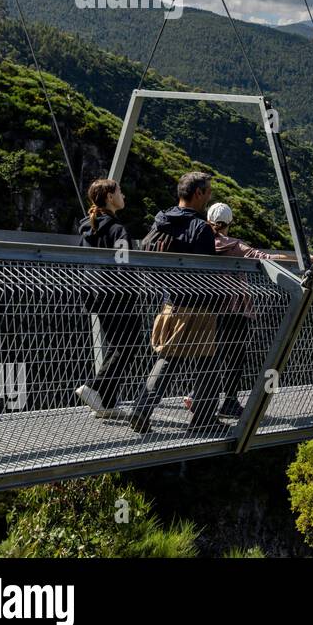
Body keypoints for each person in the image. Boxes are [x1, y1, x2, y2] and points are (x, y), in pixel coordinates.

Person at [129, 171, 222, 434]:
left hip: (170, 301)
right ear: (198, 194)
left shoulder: (161, 220)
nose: (209, 195)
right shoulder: (200, 228)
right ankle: (203, 418)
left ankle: (141, 410)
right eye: (208, 191)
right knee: (208, 362)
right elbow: (209, 270)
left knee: (168, 357)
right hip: (199, 304)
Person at [205, 202, 292, 419]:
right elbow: (264, 258)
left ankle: (200, 396)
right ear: (230, 222)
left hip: (207, 307)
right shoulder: (234, 245)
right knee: (234, 356)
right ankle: (230, 402)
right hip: (234, 308)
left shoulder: (201, 242)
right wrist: (299, 259)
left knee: (210, 353)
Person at [74, 178, 139, 420]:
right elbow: (123, 264)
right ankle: (93, 386)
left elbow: (82, 265)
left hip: (96, 296)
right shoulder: (117, 229)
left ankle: (107, 402)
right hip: (119, 297)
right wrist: (132, 294)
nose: (123, 195)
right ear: (110, 197)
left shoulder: (87, 229)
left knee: (117, 345)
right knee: (130, 345)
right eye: (119, 191)